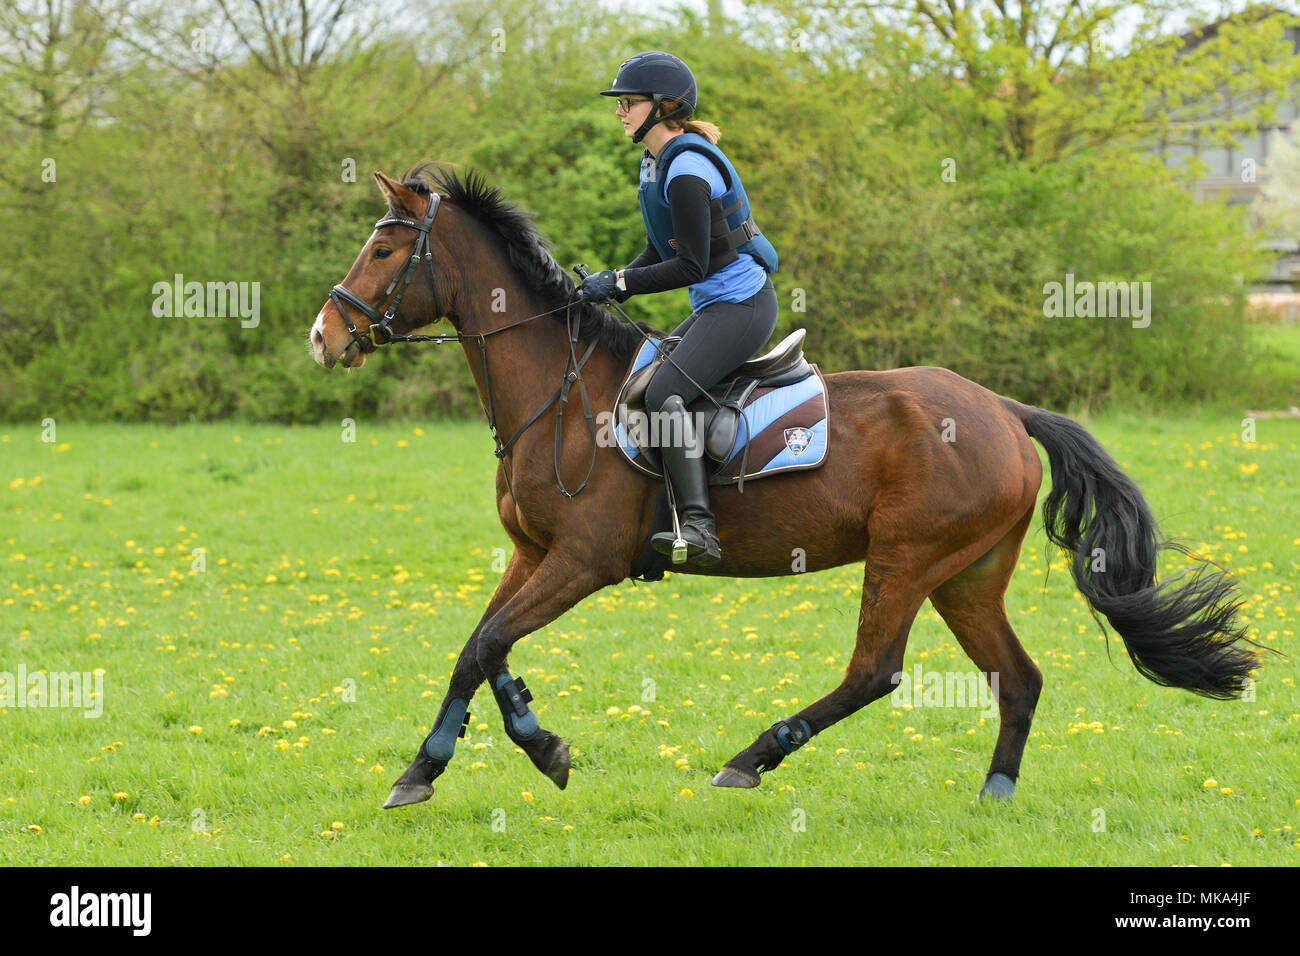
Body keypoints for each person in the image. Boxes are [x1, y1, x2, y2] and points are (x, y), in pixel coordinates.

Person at [578, 51, 779, 567]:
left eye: (629, 103)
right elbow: (663, 251)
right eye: (619, 104)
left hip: (742, 306)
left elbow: (690, 265)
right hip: (718, 306)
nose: (620, 112)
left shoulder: (687, 170)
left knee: (666, 392)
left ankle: (699, 528)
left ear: (663, 106)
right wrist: (615, 283)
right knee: (646, 384)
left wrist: (621, 281)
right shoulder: (655, 164)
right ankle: (659, 521)